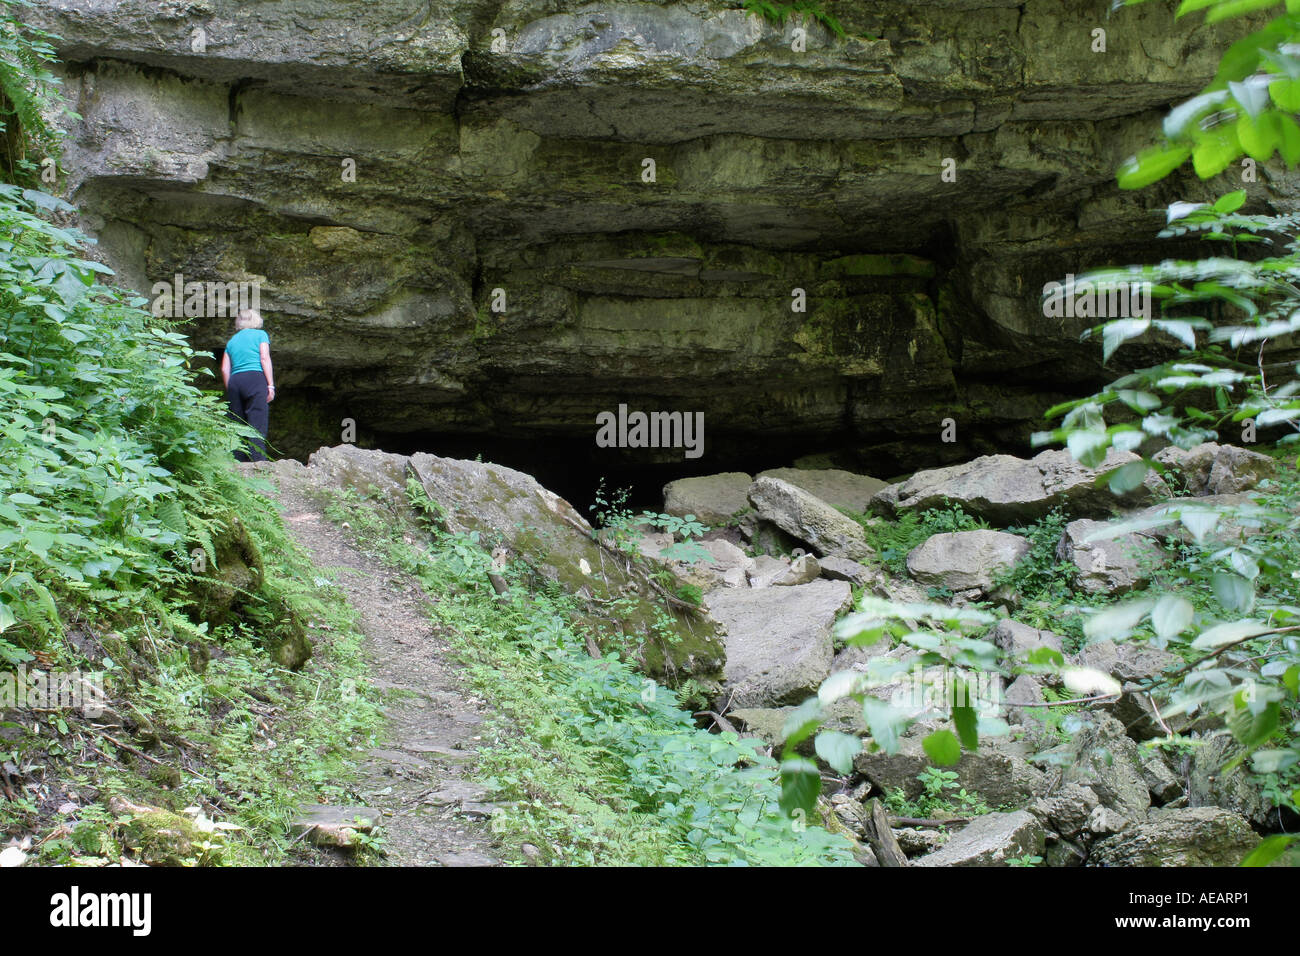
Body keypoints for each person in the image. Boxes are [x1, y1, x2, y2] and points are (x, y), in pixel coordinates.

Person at [221, 308, 275, 462]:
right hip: (255, 378)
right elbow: (264, 358)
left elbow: (225, 369)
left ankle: (239, 465)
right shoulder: (260, 335)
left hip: (235, 381)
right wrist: (270, 385)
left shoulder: (232, 341)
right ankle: (259, 464)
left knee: (237, 424)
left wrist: (231, 387)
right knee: (256, 424)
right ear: (256, 320)